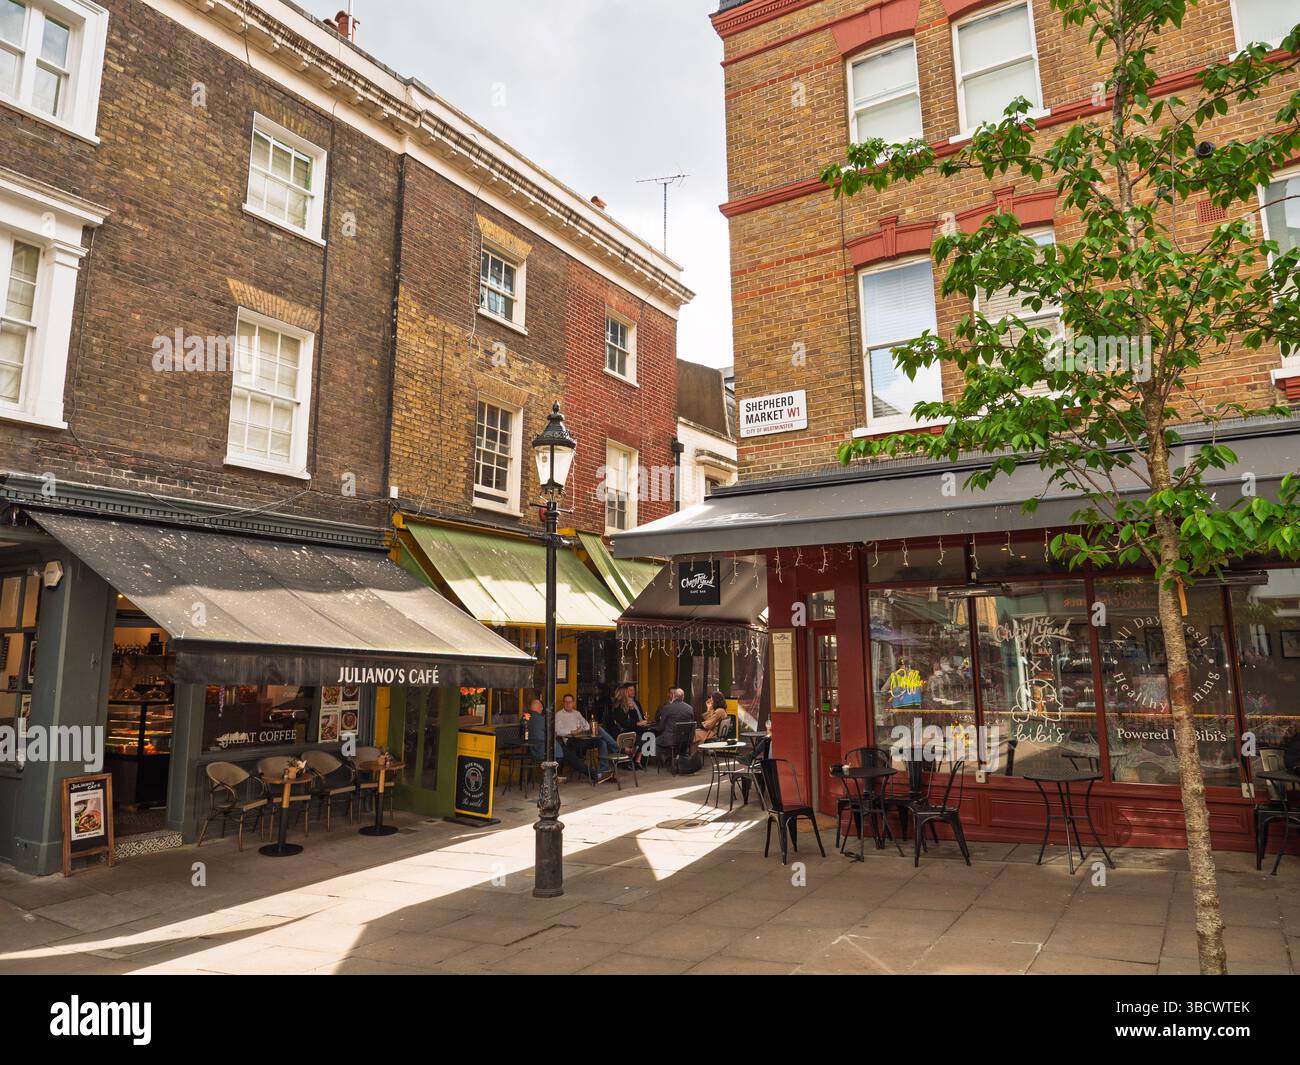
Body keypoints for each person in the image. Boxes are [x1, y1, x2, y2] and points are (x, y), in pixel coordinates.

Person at [554, 693, 615, 780]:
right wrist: (572, 732)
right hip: (571, 740)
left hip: (582, 738)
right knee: (599, 731)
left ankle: (603, 770)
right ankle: (617, 747)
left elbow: (586, 726)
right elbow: (558, 731)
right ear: (563, 703)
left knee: (601, 742)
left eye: (570, 702)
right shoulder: (559, 715)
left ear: (573, 703)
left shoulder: (577, 713)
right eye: (566, 702)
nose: (568, 704)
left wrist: (580, 730)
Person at [524, 697, 570, 784]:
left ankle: (551, 776)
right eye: (541, 707)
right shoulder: (542, 719)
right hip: (544, 749)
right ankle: (552, 777)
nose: (542, 709)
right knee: (559, 750)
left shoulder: (525, 717)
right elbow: (551, 732)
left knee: (562, 750)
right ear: (539, 708)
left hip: (531, 749)